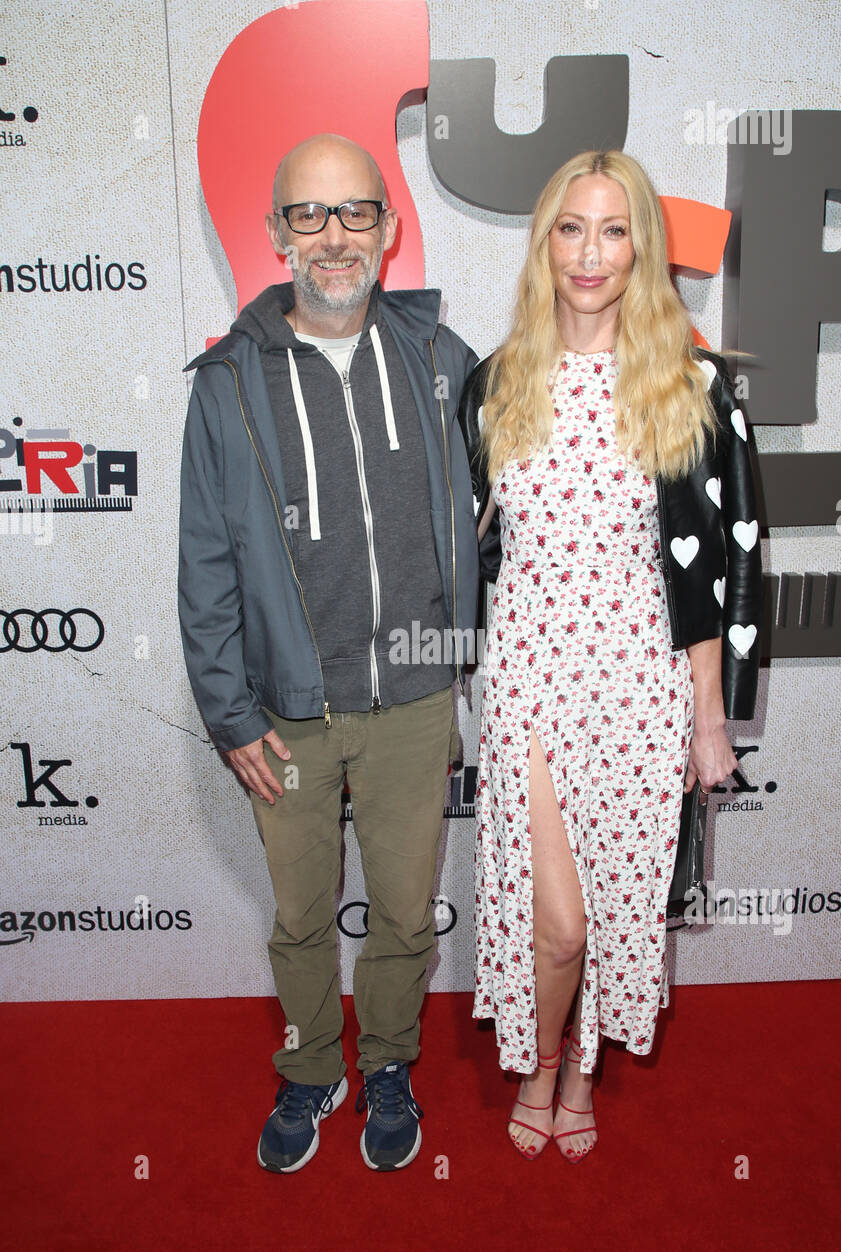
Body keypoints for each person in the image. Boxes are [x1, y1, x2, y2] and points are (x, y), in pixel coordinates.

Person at [178, 134, 479, 1173]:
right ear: (274, 237)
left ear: (390, 231)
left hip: (412, 703)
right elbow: (205, 560)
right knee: (302, 918)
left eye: (355, 212)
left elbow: (508, 522)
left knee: (403, 912)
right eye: (308, 215)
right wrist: (229, 713)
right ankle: (312, 1070)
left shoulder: (445, 364)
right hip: (286, 711)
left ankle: (388, 1061)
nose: (334, 237)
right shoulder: (227, 385)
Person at [459, 150, 763, 1163]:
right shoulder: (497, 383)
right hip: (532, 677)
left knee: (622, 901)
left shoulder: (692, 387)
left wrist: (709, 719)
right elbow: (471, 546)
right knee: (561, 923)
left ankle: (581, 1067)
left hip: (642, 683)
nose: (590, 254)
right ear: (546, 243)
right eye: (570, 229)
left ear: (643, 247)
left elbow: (711, 569)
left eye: (614, 229)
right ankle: (544, 1063)